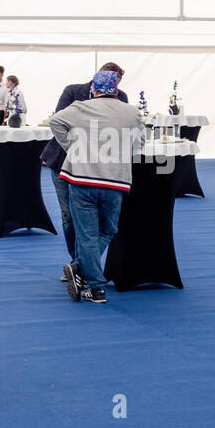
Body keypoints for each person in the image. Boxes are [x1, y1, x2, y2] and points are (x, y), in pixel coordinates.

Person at [48, 70, 144, 305]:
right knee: (108, 230)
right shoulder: (131, 112)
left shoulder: (81, 107)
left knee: (87, 234)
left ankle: (90, 282)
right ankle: (82, 272)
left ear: (94, 88)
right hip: (115, 181)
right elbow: (140, 143)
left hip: (82, 179)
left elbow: (55, 121)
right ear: (116, 89)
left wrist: (72, 146)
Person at [40, 63, 128, 275]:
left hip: (97, 167)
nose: (114, 88)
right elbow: (60, 121)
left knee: (97, 224)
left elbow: (119, 127)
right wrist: (76, 145)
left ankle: (77, 269)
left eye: (117, 83)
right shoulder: (73, 91)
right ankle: (77, 263)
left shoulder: (122, 97)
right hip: (63, 162)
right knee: (69, 217)